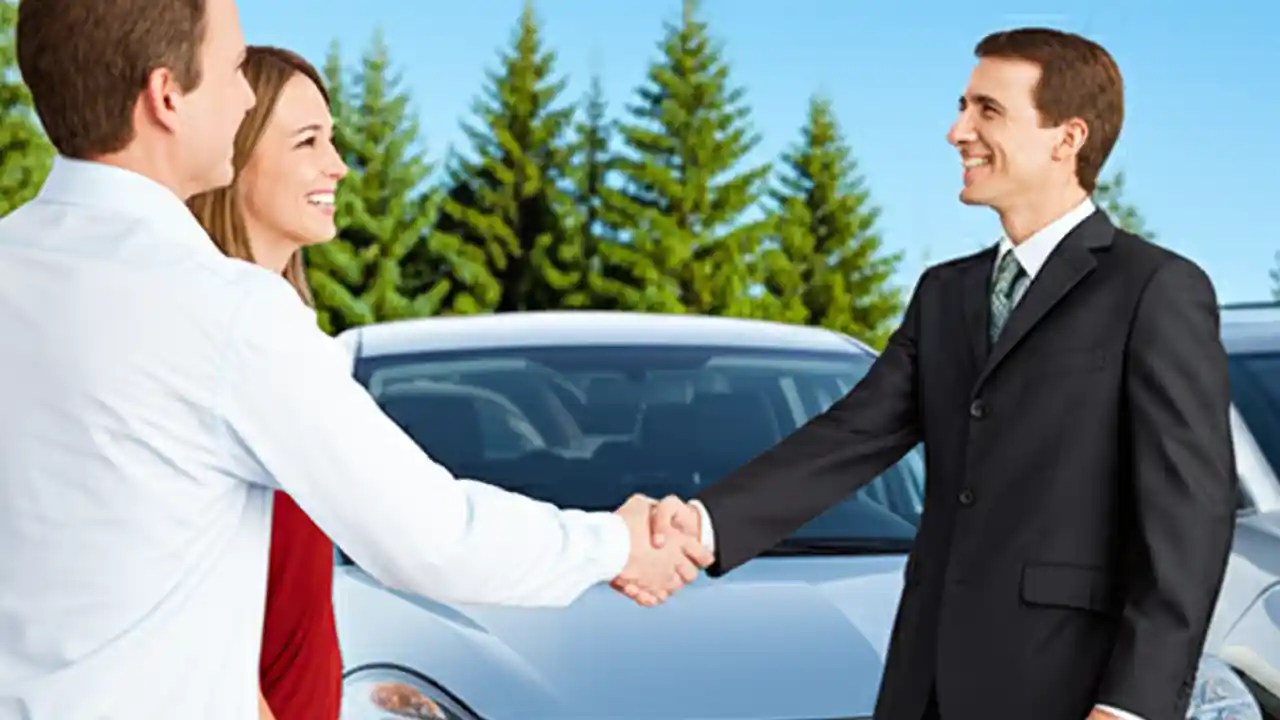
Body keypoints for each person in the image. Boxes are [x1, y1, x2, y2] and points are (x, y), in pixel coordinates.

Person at [0, 1, 709, 717]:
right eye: (234, 70)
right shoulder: (228, 311)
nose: (244, 95)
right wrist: (614, 543)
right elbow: (433, 537)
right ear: (166, 96)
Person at [637, 27, 1236, 720]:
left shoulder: (1154, 289)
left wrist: (1133, 704)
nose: (958, 131)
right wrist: (705, 525)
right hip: (924, 678)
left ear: (1066, 138)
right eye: (963, 106)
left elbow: (1189, 518)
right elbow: (850, 437)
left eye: (988, 110)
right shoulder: (944, 293)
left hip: (1064, 684)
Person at [185, 45, 348, 720]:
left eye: (331, 140)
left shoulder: (302, 348)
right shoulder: (205, 345)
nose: (336, 166)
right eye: (308, 142)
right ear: (234, 153)